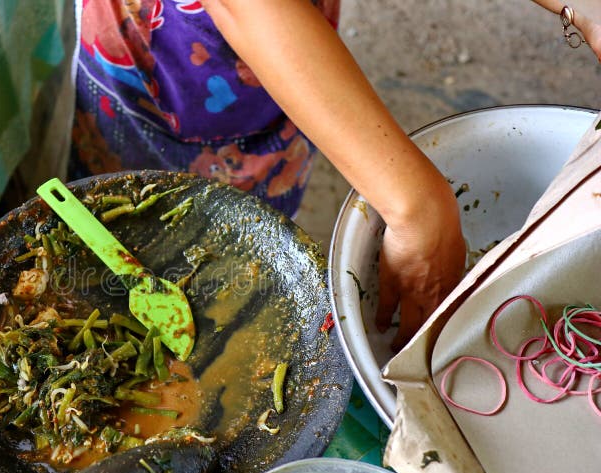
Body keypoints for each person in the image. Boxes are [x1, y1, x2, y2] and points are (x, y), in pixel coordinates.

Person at [68, 1, 459, 352]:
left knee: (244, 231)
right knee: (130, 221)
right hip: (165, 66)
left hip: (281, 49)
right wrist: (416, 207)